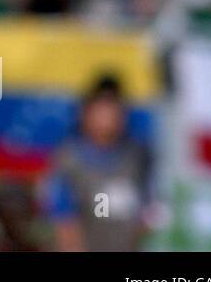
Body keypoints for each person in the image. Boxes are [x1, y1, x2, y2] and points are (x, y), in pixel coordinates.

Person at [45, 75, 153, 251]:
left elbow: (146, 216)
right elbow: (64, 224)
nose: (108, 117)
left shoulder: (137, 159)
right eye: (101, 109)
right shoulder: (69, 161)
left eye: (114, 108)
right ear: (85, 113)